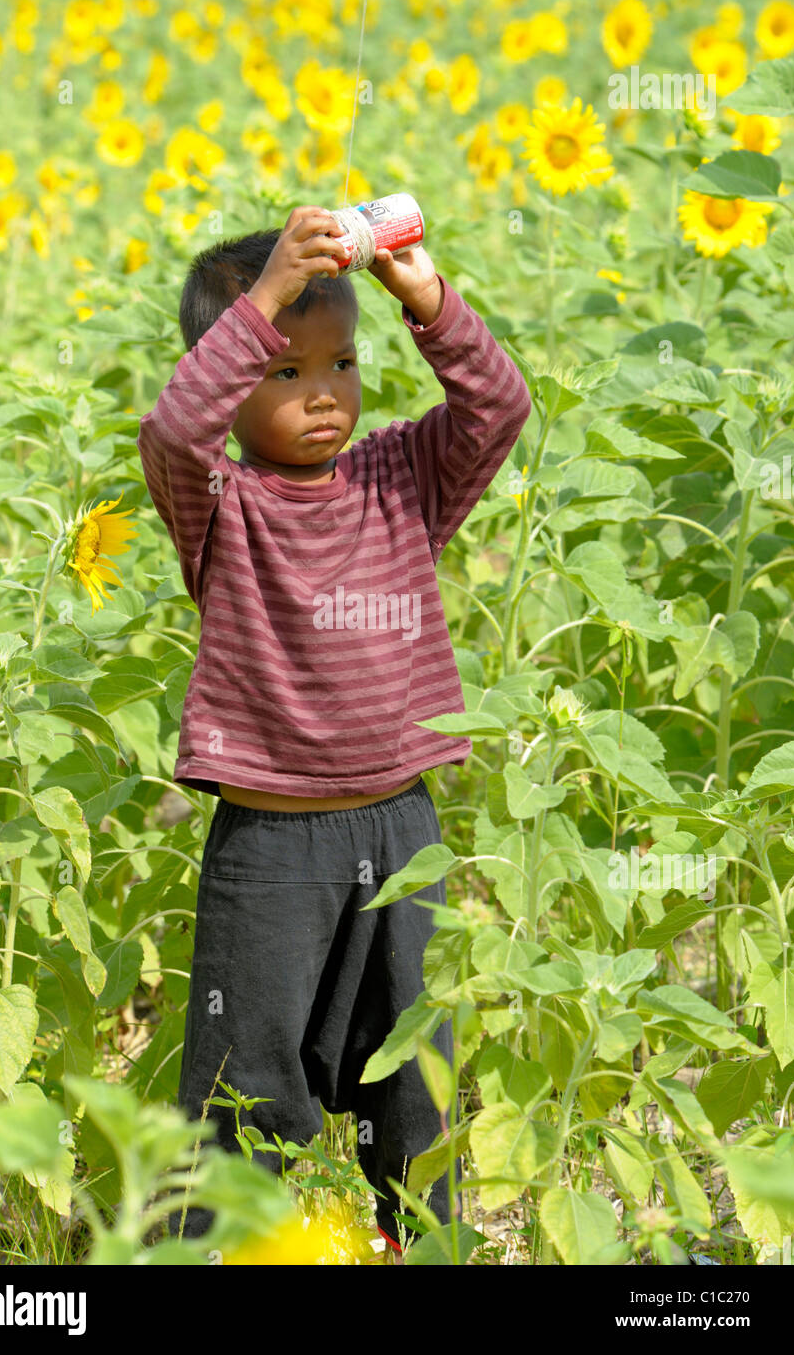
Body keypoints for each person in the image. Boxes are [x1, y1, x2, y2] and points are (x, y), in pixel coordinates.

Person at [137, 205, 532, 1261]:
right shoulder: (221, 505)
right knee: (243, 1082)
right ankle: (218, 1250)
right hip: (269, 851)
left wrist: (425, 297)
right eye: (282, 369)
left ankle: (421, 1246)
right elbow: (172, 430)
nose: (322, 394)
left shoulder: (402, 478)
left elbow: (499, 404)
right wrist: (264, 297)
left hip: (402, 834)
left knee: (416, 1083)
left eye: (343, 362)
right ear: (232, 370)